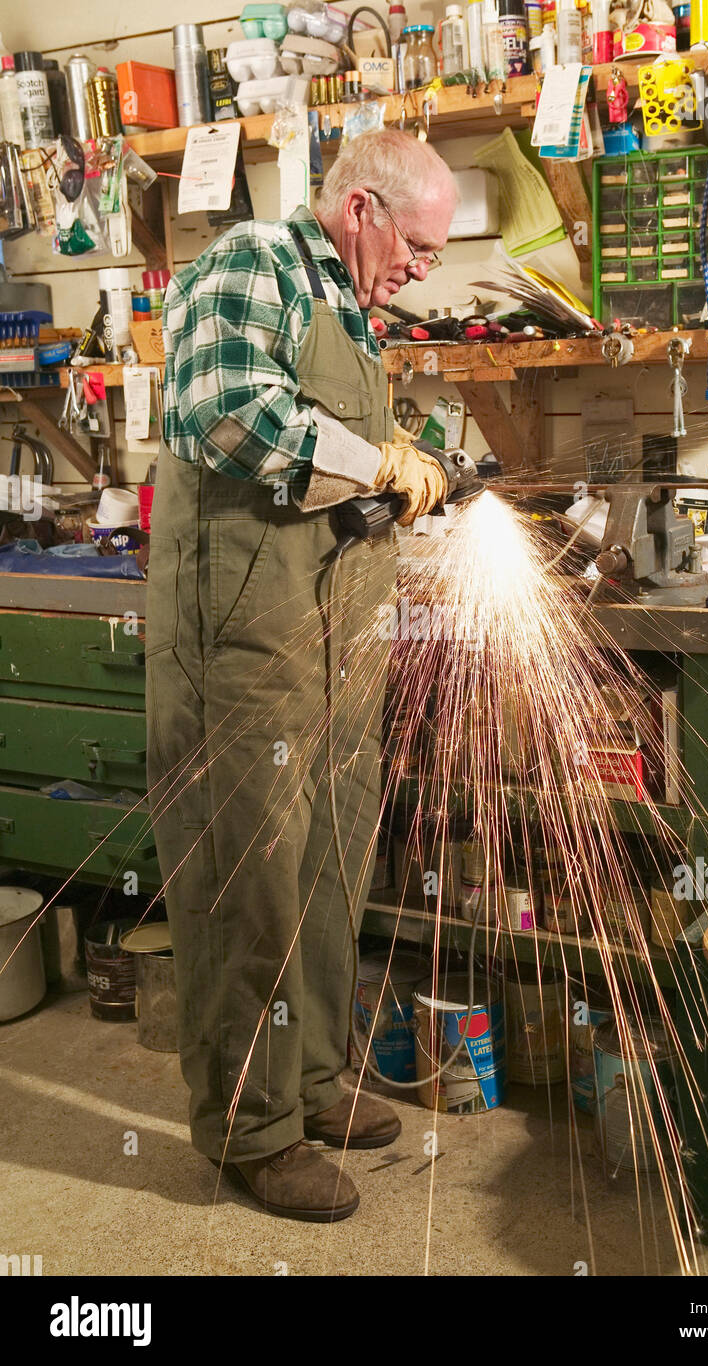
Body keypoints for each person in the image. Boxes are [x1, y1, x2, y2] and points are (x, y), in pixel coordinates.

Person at [145, 130, 458, 1222]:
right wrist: (380, 460)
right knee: (252, 878)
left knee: (331, 857)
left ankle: (315, 1080)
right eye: (418, 244)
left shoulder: (351, 314)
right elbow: (229, 412)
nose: (427, 268)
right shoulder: (252, 263)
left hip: (331, 642)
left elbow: (327, 436)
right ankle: (252, 1126)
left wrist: (406, 450)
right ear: (363, 207)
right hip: (243, 642)